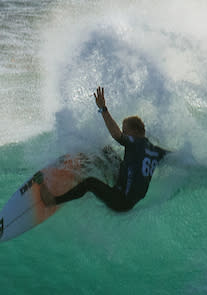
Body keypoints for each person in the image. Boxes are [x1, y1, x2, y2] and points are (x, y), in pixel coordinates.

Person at [28, 87, 169, 214]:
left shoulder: (135, 143)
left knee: (90, 183)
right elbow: (175, 157)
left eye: (125, 131)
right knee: (107, 151)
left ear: (135, 131)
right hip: (127, 194)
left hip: (120, 200)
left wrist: (103, 109)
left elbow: (116, 135)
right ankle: (83, 166)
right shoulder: (155, 150)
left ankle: (52, 200)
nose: (124, 133)